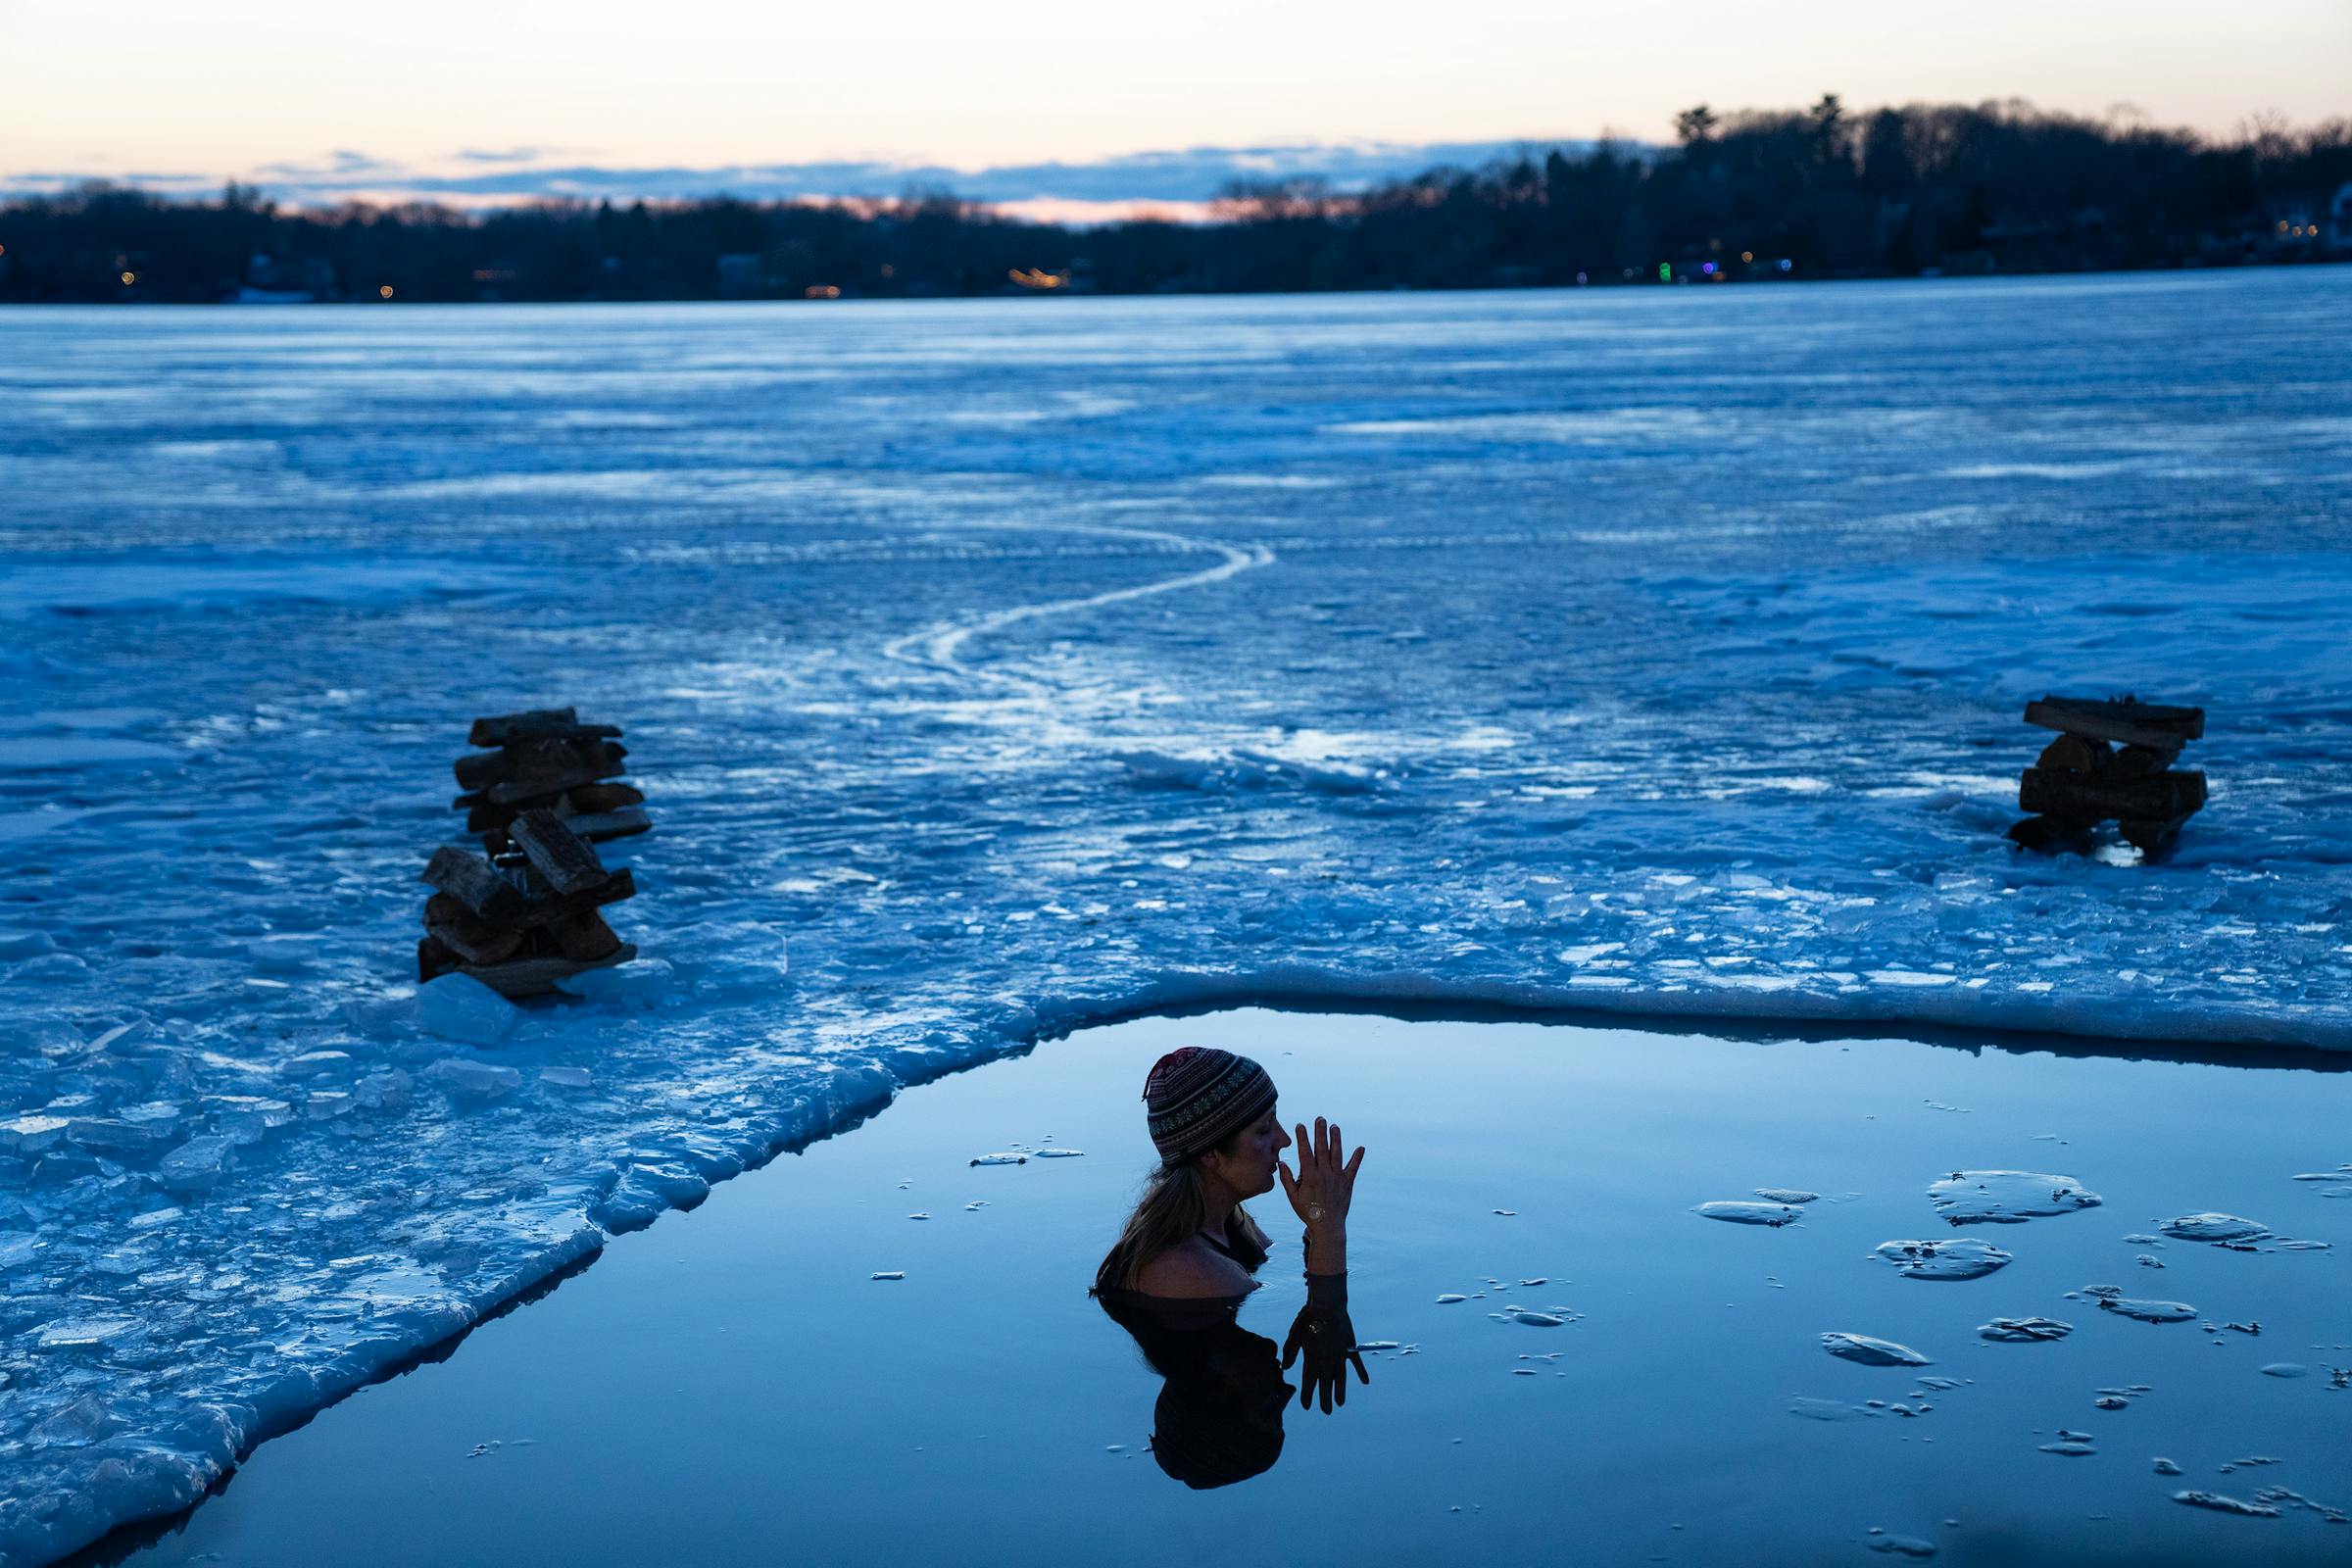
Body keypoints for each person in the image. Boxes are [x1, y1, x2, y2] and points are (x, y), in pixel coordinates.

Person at [1094, 1047, 1369, 1485]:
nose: (1284, 1392)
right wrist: (1328, 1228)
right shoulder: (1191, 1272)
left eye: (1269, 1408)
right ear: (1209, 1155)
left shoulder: (1225, 1223)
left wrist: (1320, 1222)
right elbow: (1326, 1308)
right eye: (1263, 1130)